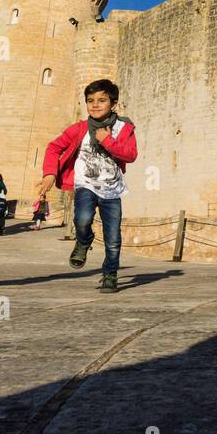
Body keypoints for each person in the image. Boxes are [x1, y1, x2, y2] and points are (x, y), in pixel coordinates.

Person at [36, 79, 138, 292]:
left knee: (113, 238)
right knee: (82, 219)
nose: (95, 105)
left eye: (102, 100)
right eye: (90, 100)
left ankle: (109, 275)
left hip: (111, 189)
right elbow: (54, 148)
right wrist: (49, 174)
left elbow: (131, 155)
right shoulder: (80, 128)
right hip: (85, 184)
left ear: (114, 104)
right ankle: (84, 241)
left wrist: (107, 141)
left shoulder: (124, 128)